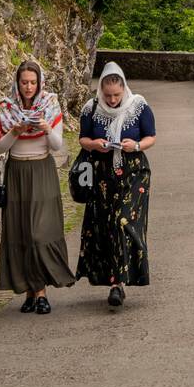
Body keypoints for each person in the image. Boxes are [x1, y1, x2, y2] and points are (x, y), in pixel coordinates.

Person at [0, 59, 75, 313]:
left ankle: (41, 291)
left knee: (40, 233)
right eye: (24, 82)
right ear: (17, 83)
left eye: (33, 82)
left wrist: (46, 127)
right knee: (21, 233)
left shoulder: (50, 104)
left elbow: (57, 145)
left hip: (41, 170)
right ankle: (30, 293)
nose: (29, 87)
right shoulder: (6, 109)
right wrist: (16, 131)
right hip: (16, 171)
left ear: (40, 83)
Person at [75, 61, 156, 308]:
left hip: (133, 172)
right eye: (107, 95)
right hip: (102, 176)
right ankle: (115, 283)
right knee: (107, 225)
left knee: (123, 221)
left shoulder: (139, 106)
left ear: (124, 89)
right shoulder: (91, 108)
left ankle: (124, 278)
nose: (111, 100)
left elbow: (151, 136)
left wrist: (137, 145)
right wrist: (94, 144)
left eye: (116, 95)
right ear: (101, 90)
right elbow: (82, 139)